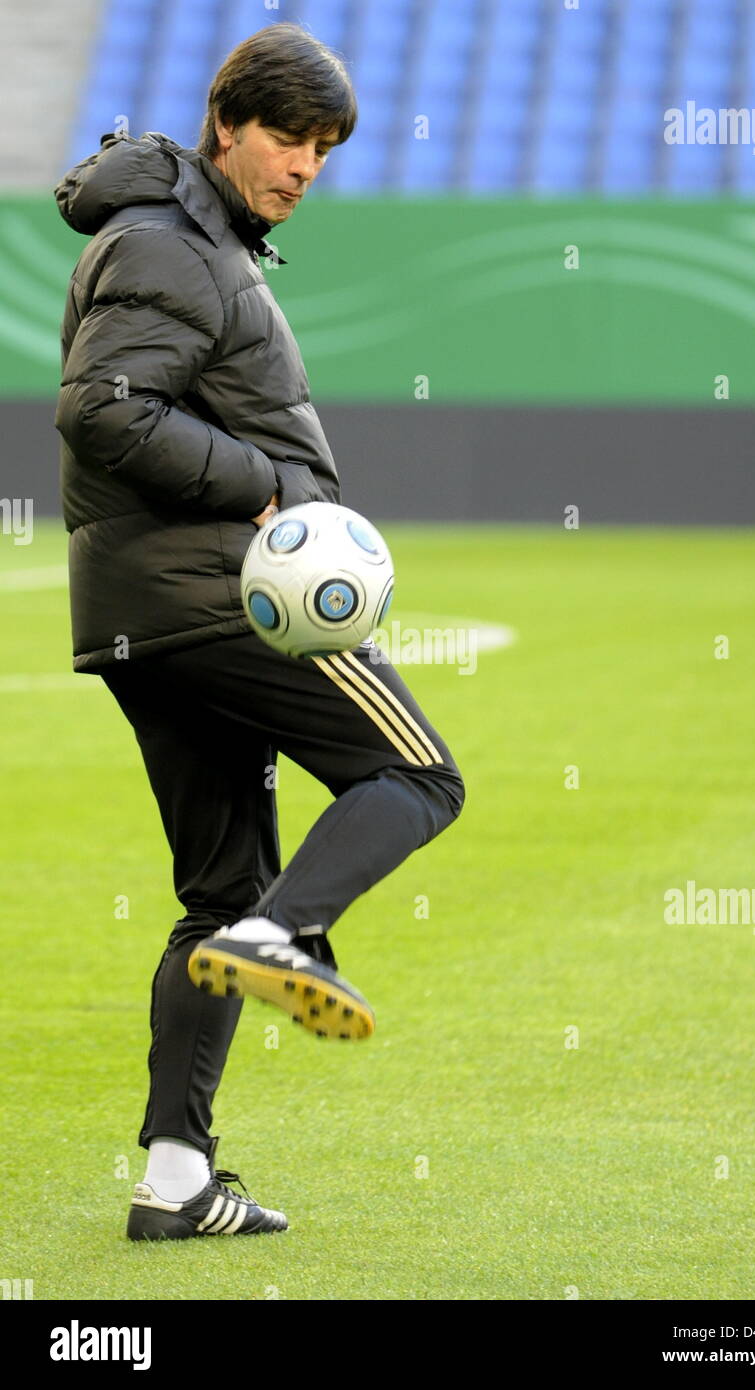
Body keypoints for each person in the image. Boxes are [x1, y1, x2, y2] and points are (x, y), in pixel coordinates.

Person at [53, 22, 465, 1242]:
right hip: (215, 592)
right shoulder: (172, 246)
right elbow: (102, 409)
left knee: (214, 888)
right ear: (227, 122)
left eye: (324, 148)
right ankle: (283, 932)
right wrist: (272, 491)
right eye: (288, 137)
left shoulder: (191, 238)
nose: (303, 166)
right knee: (416, 774)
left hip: (146, 612)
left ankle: (176, 1181)